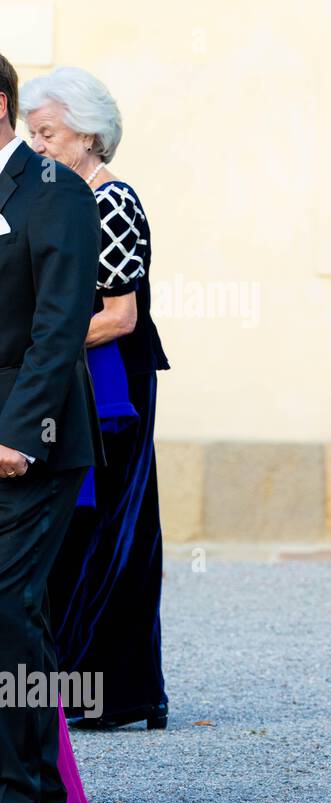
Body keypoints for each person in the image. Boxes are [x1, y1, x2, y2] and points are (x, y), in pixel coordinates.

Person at [21, 66, 170, 732]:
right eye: (31, 134)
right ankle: (77, 685)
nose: (38, 146)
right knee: (76, 531)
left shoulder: (112, 200)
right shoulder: (60, 198)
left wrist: (41, 345)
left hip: (113, 387)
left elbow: (120, 315)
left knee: (114, 531)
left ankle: (123, 693)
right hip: (75, 379)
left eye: (46, 132)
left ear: (87, 131)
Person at [0, 52, 102, 803]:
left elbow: (61, 321)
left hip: (32, 440)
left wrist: (16, 432)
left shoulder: (53, 191)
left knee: (7, 605)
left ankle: (24, 794)